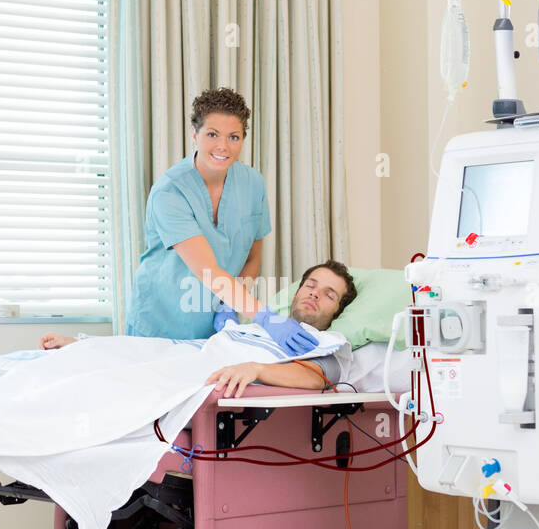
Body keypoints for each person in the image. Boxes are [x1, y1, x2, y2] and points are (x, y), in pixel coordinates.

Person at [122, 87, 316, 355]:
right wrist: (266, 318)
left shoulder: (252, 184)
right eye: (212, 134)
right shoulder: (170, 191)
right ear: (195, 135)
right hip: (158, 326)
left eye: (233, 137)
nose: (223, 146)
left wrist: (229, 306)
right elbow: (208, 271)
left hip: (214, 330)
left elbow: (252, 258)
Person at [42, 260, 359, 398]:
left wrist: (256, 368)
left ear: (338, 310)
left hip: (207, 372)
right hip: (193, 351)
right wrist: (229, 324)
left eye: (329, 294)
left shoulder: (326, 340)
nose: (315, 292)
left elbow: (318, 376)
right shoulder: (262, 327)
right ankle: (85, 347)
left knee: (120, 375)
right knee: (144, 348)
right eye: (310, 285)